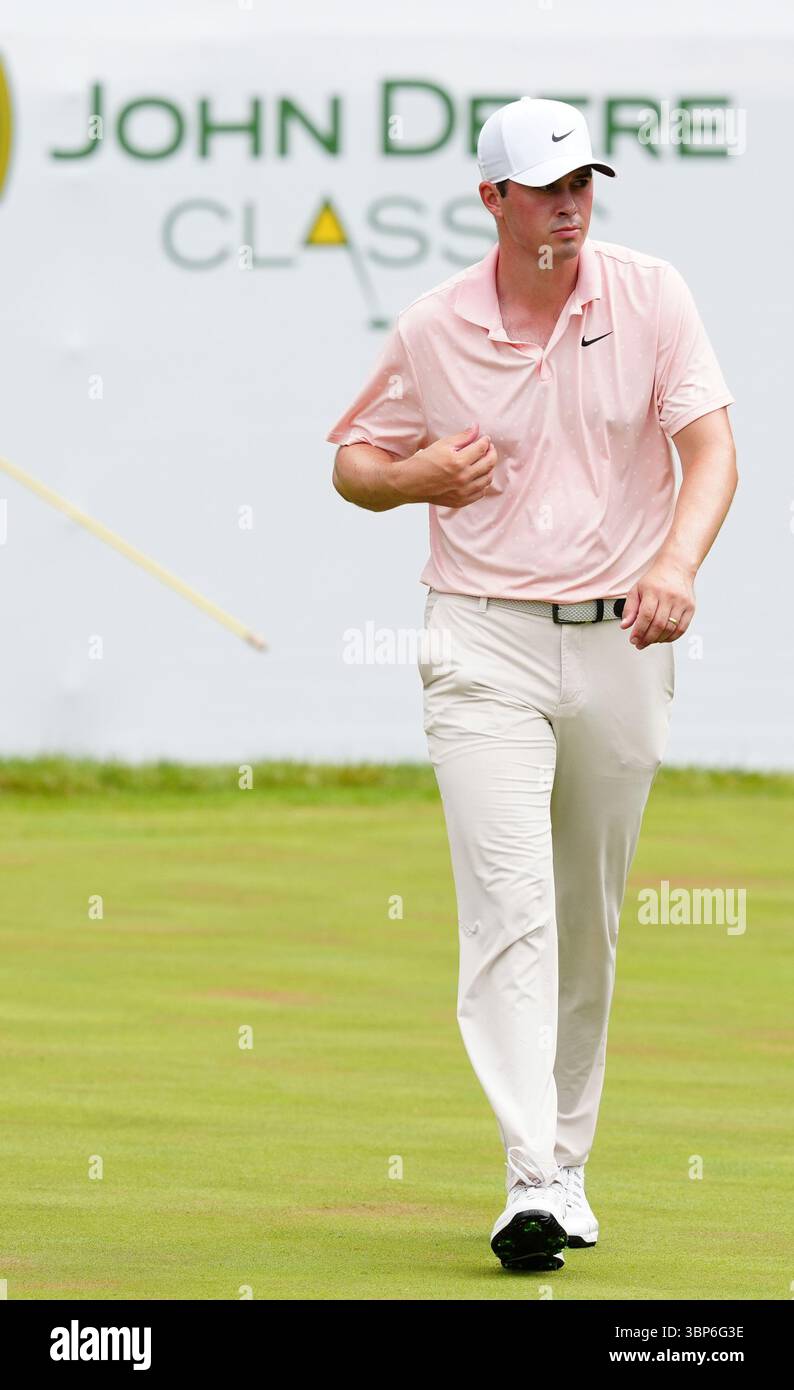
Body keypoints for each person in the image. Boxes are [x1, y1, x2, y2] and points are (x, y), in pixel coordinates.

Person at [325, 97, 737, 1272]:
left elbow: (711, 451)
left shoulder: (650, 294)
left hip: (622, 639)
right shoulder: (433, 324)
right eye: (545, 188)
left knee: (584, 916)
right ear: (491, 201)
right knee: (510, 906)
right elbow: (353, 462)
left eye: (582, 184)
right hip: (480, 645)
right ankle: (531, 1180)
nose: (568, 207)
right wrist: (415, 479)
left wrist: (673, 560)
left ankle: (568, 1155)